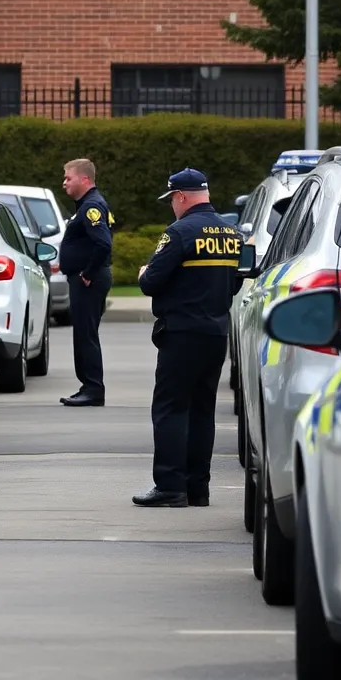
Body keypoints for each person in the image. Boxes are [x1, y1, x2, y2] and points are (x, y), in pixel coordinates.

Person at [133, 168, 243, 507]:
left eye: (172, 200)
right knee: (202, 411)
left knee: (170, 409)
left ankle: (170, 486)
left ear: (181, 196)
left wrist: (143, 273)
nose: (172, 206)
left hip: (182, 333)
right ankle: (198, 488)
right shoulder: (232, 233)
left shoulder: (179, 232)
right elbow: (235, 283)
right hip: (216, 333)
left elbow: (151, 281)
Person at [57, 158, 113, 407]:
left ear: (85, 179)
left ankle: (93, 389)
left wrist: (88, 274)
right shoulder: (86, 205)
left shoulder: (91, 206)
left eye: (68, 178)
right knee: (83, 334)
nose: (64, 183)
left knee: (85, 335)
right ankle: (88, 387)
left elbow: (103, 243)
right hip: (86, 278)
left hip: (88, 280)